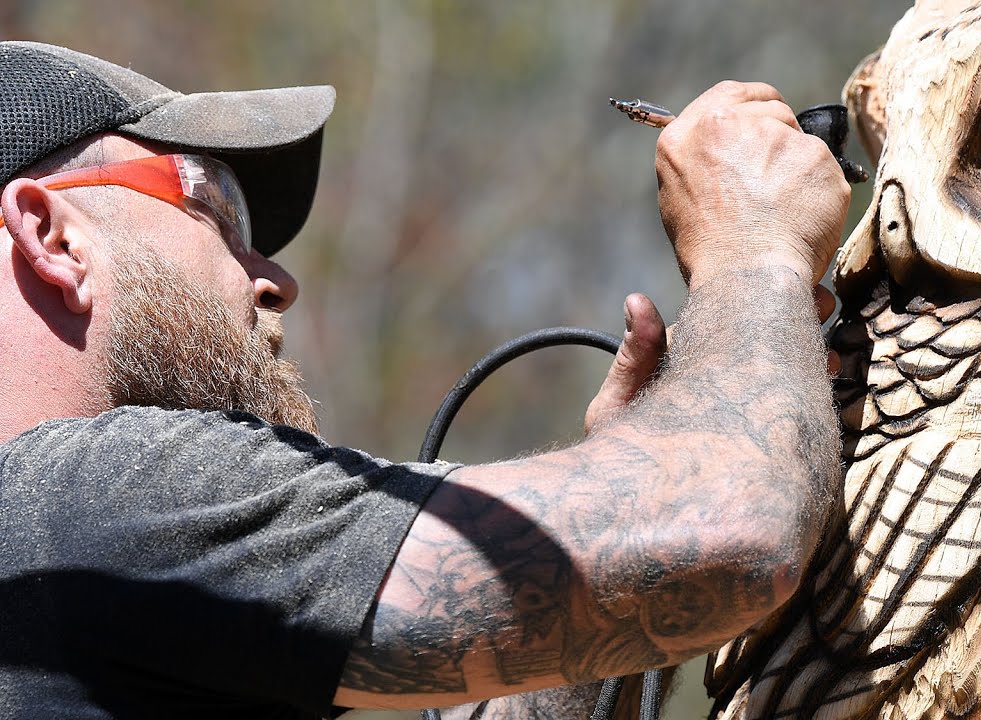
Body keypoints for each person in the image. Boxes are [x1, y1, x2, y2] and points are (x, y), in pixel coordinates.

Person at [0, 41, 850, 718]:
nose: (273, 278)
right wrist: (754, 245)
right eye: (219, 212)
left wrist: (641, 473)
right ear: (52, 235)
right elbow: (737, 526)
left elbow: (669, 554)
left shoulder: (76, 578)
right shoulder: (90, 494)